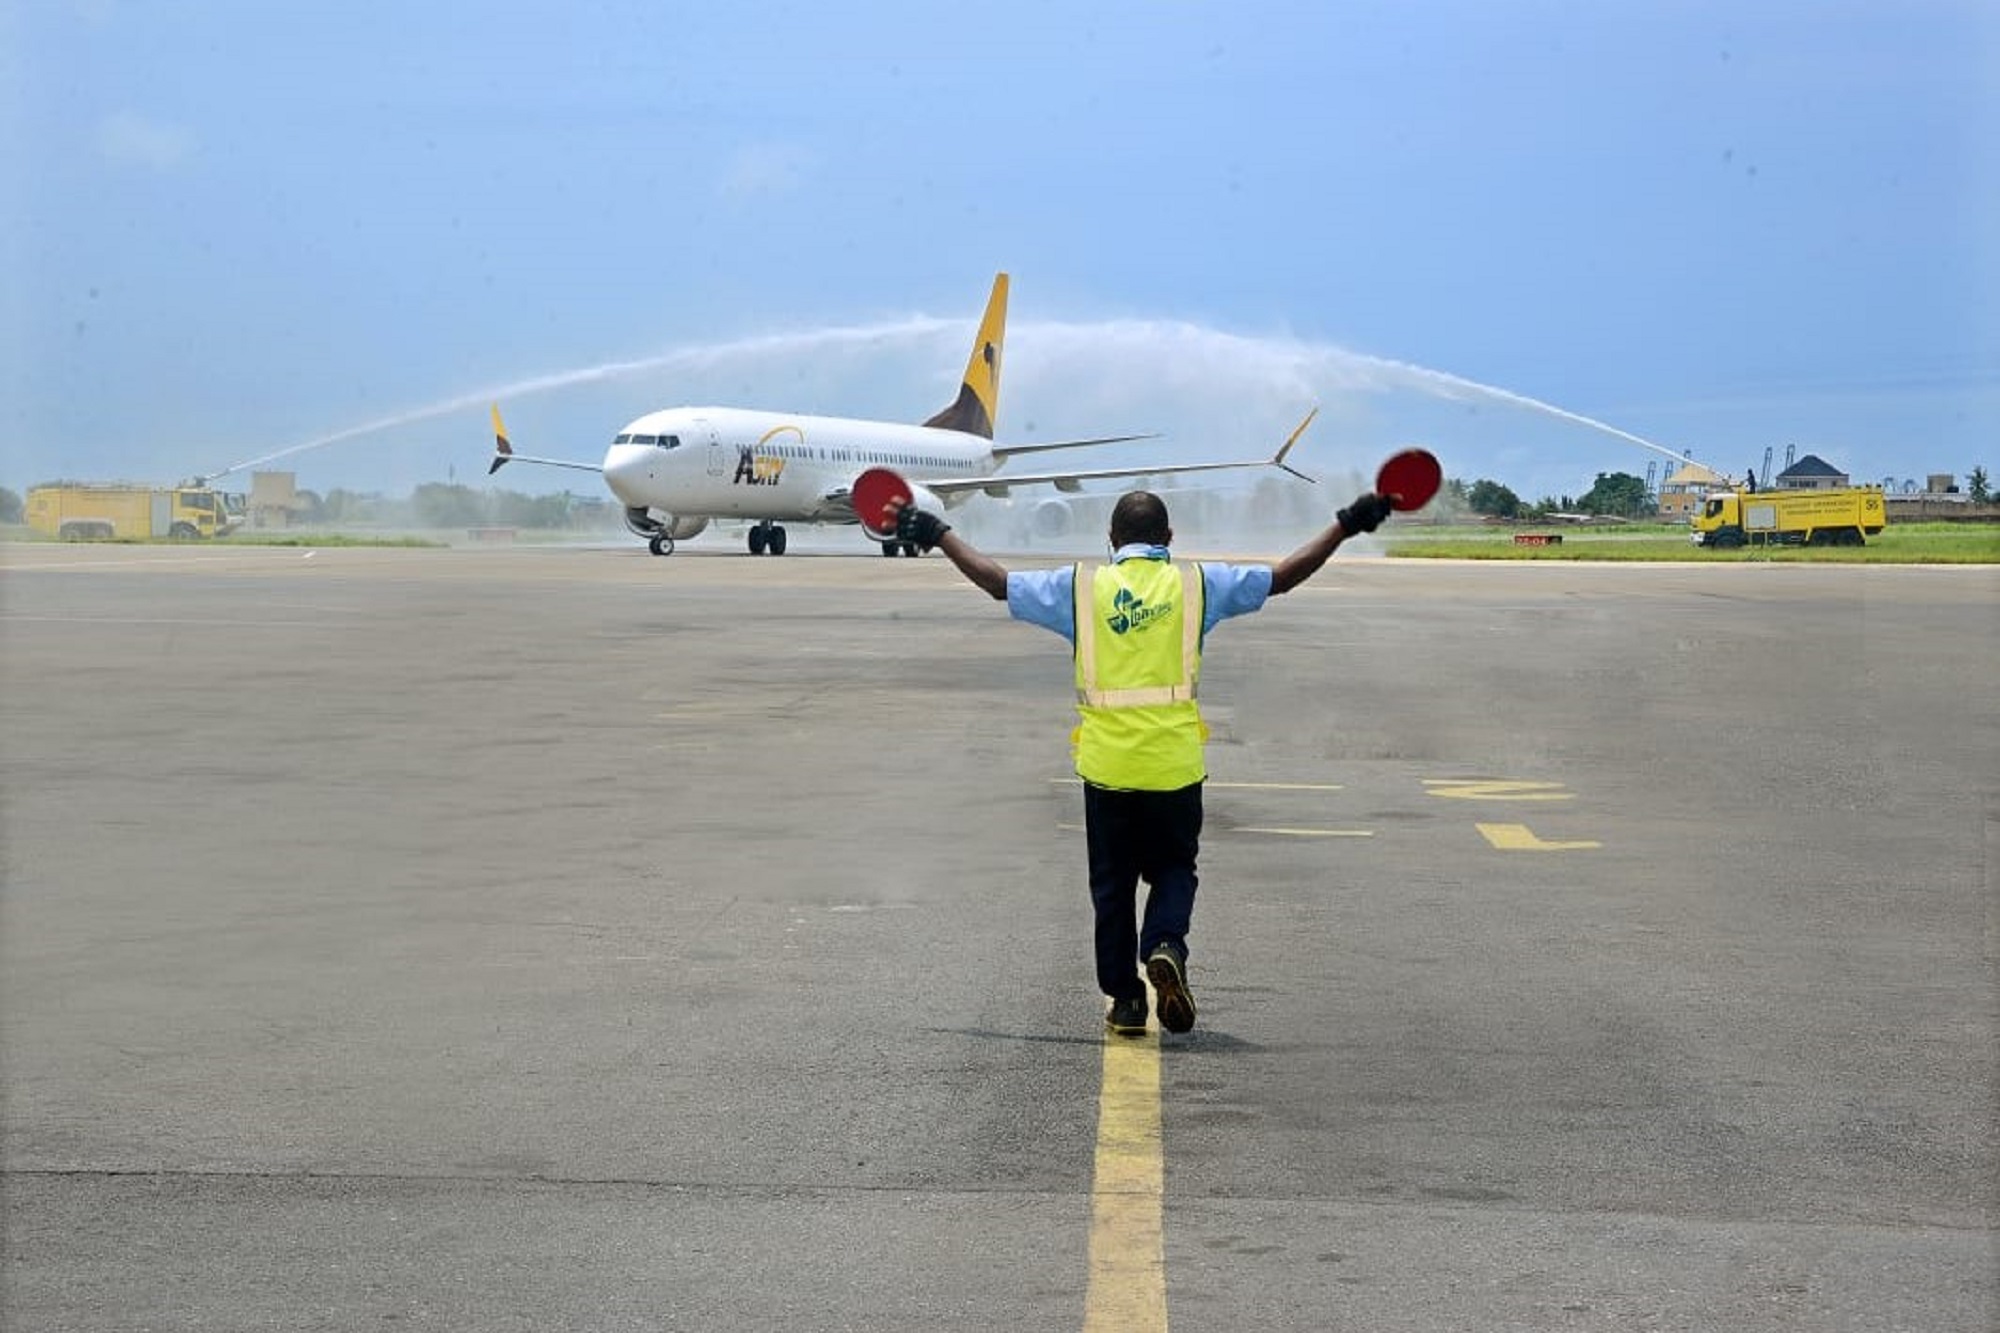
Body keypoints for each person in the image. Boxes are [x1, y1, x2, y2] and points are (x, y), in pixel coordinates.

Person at [886, 486, 1395, 1037]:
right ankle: (1165, 944)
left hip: (1108, 768)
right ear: (1169, 539)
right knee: (1176, 869)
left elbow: (996, 583)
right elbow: (1284, 575)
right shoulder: (1198, 584)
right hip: (1175, 764)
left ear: (1111, 540)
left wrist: (938, 534)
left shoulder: (1080, 589)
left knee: (1112, 887)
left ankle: (1126, 1001)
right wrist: (1345, 525)